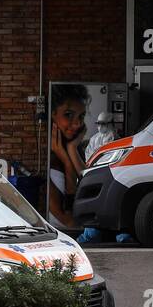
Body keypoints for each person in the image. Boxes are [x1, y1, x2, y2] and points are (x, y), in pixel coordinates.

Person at [47, 85, 90, 230]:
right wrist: (67, 162)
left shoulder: (76, 148)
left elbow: (88, 181)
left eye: (81, 116)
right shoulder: (49, 160)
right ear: (52, 114)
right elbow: (69, 221)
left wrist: (72, 150)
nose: (77, 123)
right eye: (68, 114)